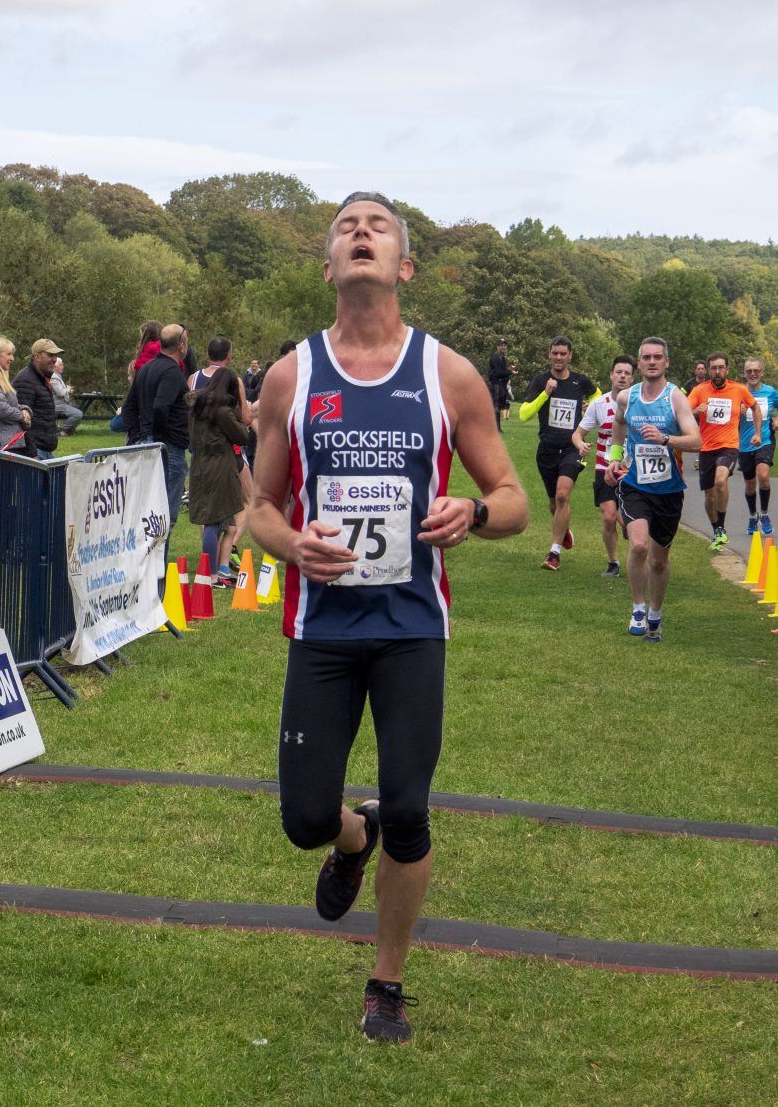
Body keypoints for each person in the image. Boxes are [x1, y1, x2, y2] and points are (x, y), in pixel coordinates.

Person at [249, 192, 527, 1043]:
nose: (359, 232)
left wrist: (472, 517)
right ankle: (348, 835)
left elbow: (511, 498)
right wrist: (292, 544)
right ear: (329, 265)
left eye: (377, 227)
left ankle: (387, 982)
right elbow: (258, 506)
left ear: (403, 266)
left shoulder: (447, 374)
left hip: (411, 628)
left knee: (411, 808)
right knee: (303, 819)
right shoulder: (291, 378)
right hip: (323, 631)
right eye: (345, 227)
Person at [605, 338, 701, 642]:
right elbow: (618, 426)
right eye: (646, 357)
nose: (651, 362)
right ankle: (637, 607)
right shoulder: (627, 398)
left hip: (669, 490)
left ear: (666, 362)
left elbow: (696, 441)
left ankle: (655, 615)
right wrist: (615, 458)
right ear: (638, 362)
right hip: (635, 484)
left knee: (659, 560)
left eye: (657, 357)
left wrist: (665, 439)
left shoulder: (676, 399)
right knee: (638, 545)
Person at [519, 336, 600, 570]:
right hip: (546, 450)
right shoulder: (541, 381)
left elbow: (599, 397)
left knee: (563, 495)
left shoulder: (579, 381)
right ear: (549, 355)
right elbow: (524, 413)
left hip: (573, 448)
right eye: (555, 353)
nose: (558, 357)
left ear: (570, 356)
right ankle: (562, 529)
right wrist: (545, 394)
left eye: (563, 353)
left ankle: (554, 554)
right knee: (554, 502)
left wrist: (589, 411)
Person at [127, 323, 190, 551]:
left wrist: (138, 437)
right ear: (181, 346)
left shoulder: (145, 369)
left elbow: (128, 409)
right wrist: (160, 440)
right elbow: (161, 407)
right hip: (167, 449)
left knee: (145, 509)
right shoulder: (172, 372)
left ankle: (144, 561)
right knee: (165, 514)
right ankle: (156, 566)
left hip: (145, 444)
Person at [687, 352, 760, 550]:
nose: (717, 371)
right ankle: (717, 530)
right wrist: (695, 411)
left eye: (721, 367)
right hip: (706, 448)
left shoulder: (738, 389)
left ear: (727, 369)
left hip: (729, 446)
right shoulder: (700, 390)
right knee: (709, 496)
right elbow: (682, 412)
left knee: (721, 481)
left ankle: (722, 526)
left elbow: (755, 408)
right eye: (713, 368)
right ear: (709, 370)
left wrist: (758, 433)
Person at [571, 355, 634, 577]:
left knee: (631, 520)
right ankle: (614, 563)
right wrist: (581, 445)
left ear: (632, 378)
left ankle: (637, 549)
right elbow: (577, 434)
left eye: (627, 373)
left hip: (632, 469)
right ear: (611, 375)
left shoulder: (638, 403)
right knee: (608, 516)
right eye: (619, 372)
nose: (622, 377)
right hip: (604, 467)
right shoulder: (599, 404)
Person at [187, 368, 249, 587]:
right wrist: (241, 403)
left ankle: (220, 570)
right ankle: (211, 574)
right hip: (219, 466)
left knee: (227, 522)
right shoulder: (223, 412)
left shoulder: (196, 406)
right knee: (213, 521)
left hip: (199, 464)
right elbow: (242, 436)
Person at [739, 359, 776, 536]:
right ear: (744, 373)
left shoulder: (769, 392)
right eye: (749, 371)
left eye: (756, 371)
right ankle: (753, 516)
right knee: (750, 483)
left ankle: (765, 514)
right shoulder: (738, 391)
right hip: (744, 444)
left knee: (763, 475)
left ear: (761, 372)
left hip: (765, 441)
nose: (752, 374)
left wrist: (776, 420)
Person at [12, 338, 64, 459]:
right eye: (50, 354)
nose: (55, 359)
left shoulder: (42, 378)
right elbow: (21, 422)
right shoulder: (26, 380)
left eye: (56, 355)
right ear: (37, 356)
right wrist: (32, 454)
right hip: (34, 453)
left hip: (44, 451)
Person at [50, 356, 84, 436]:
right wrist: (68, 389)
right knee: (78, 414)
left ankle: (70, 430)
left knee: (78, 408)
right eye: (61, 365)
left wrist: (67, 389)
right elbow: (61, 393)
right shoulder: (53, 377)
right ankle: (62, 431)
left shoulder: (57, 376)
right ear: (55, 366)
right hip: (57, 405)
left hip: (62, 404)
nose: (63, 366)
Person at [486, 338, 515, 431]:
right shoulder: (495, 357)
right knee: (496, 407)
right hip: (496, 384)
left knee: (498, 407)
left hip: (500, 384)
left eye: (504, 345)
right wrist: (510, 372)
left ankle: (497, 428)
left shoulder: (501, 357)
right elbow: (498, 373)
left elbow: (501, 371)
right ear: (497, 347)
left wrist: (508, 370)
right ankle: (495, 428)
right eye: (501, 345)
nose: (503, 347)